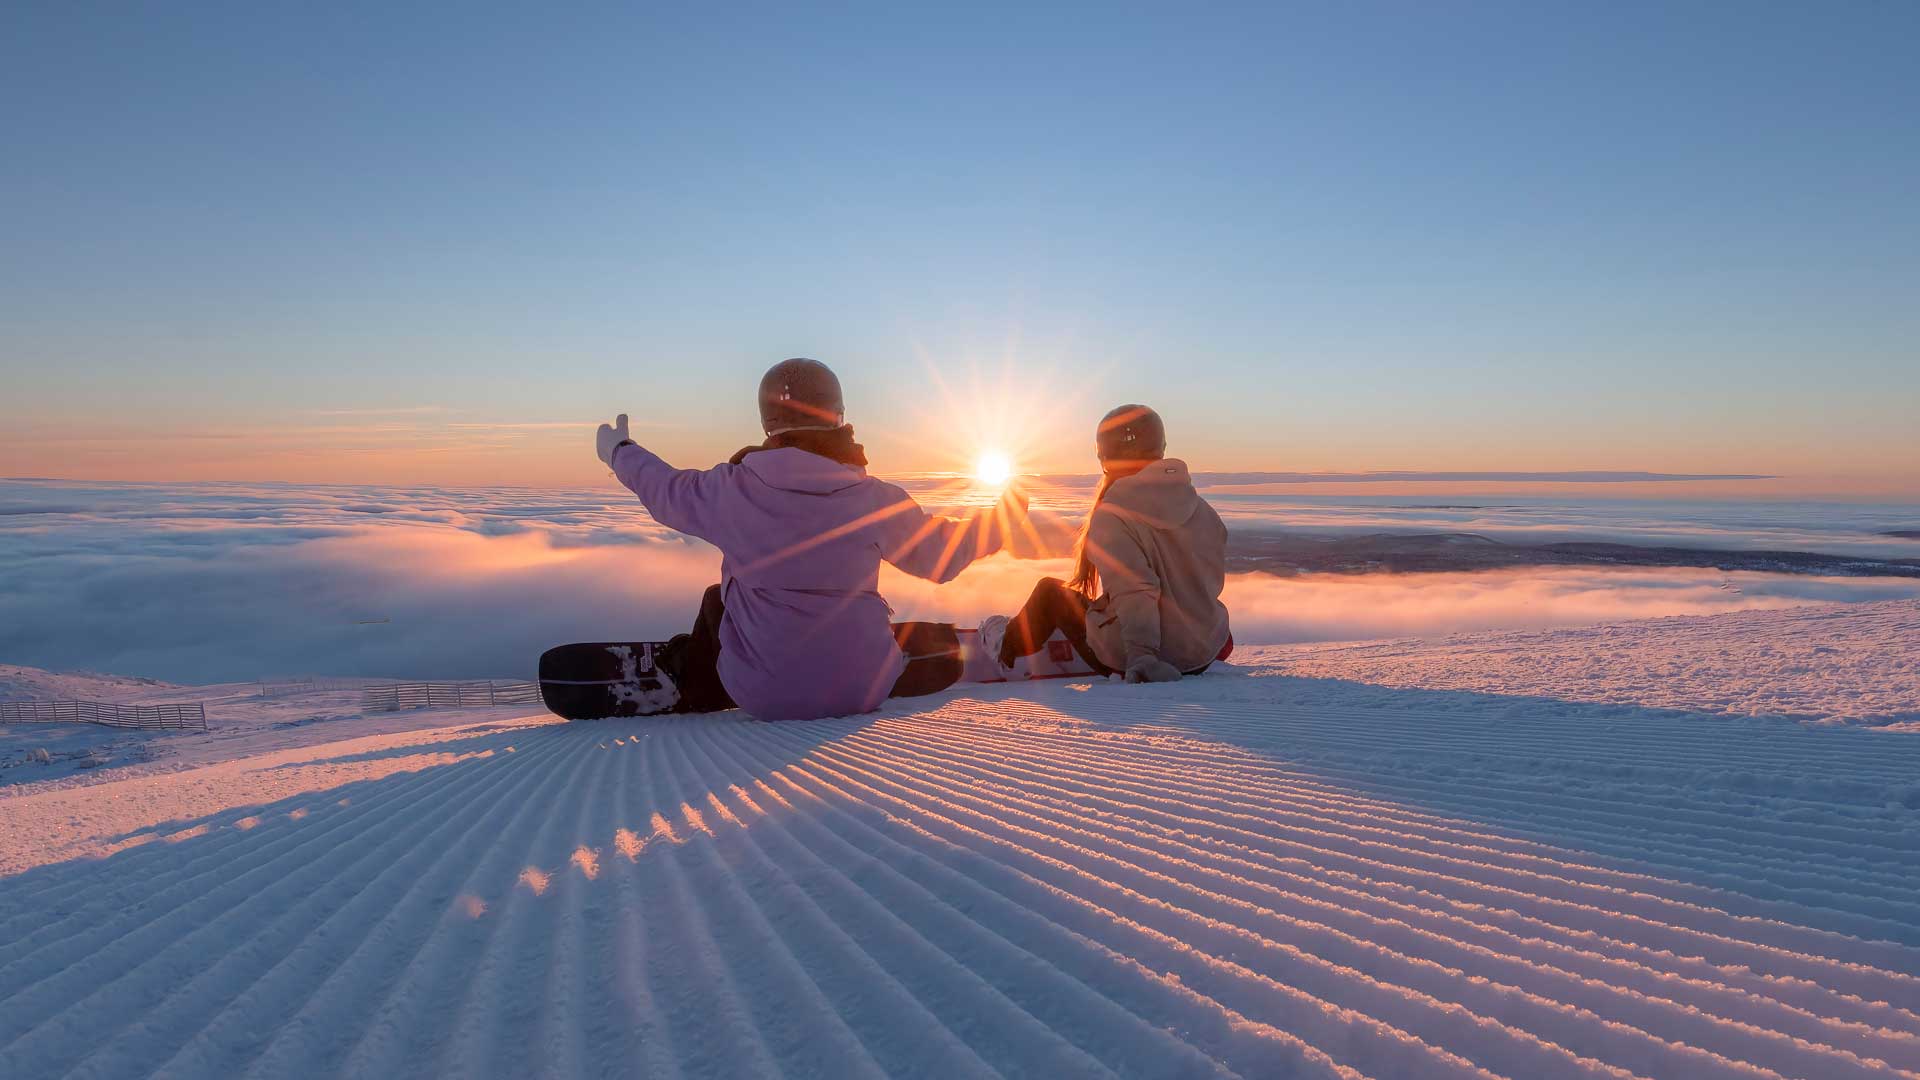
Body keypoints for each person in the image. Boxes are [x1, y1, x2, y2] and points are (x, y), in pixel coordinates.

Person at [597, 357, 1025, 721]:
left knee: (717, 599)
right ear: (837, 415)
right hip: (862, 693)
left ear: (768, 423)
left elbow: (666, 489)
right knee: (861, 612)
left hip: (764, 696)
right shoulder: (874, 499)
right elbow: (940, 558)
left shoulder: (731, 490)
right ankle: (874, 662)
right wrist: (998, 523)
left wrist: (621, 451)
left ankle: (695, 680)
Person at [979, 404, 1231, 683]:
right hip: (1201, 654)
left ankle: (1004, 647)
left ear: (1105, 456)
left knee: (1050, 593)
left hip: (1148, 658)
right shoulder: (1203, 509)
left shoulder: (1113, 515)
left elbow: (1135, 589)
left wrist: (1142, 657)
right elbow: (1203, 581)